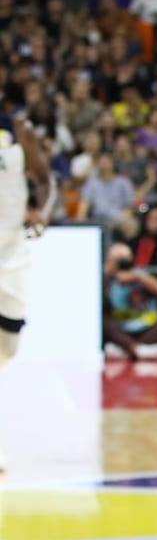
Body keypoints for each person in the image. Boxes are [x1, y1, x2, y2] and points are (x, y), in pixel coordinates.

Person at [0, 114, 50, 471]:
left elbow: (46, 181)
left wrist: (42, 212)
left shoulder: (18, 135)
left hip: (11, 255)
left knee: (7, 349)